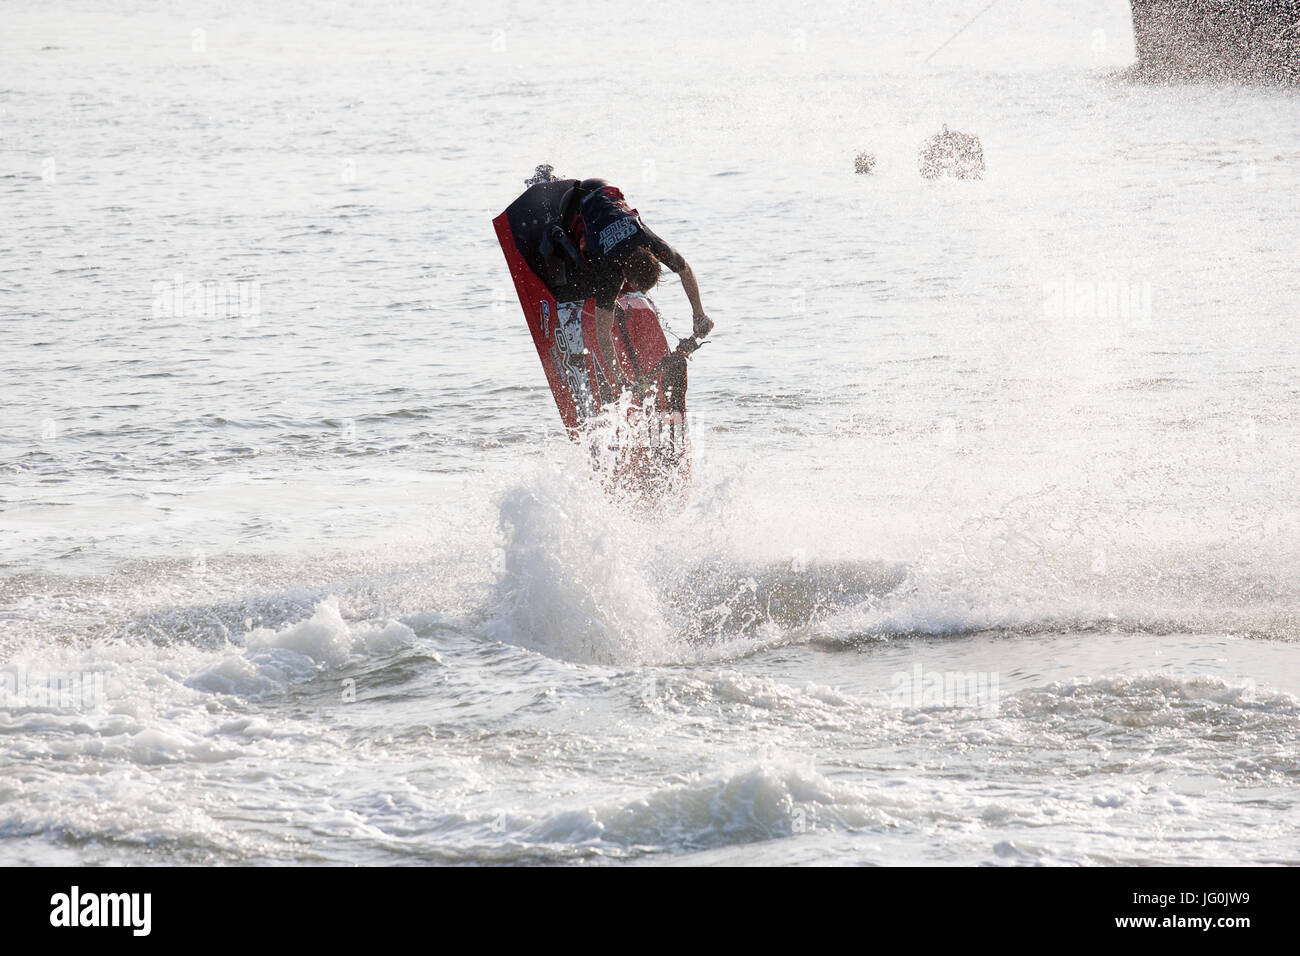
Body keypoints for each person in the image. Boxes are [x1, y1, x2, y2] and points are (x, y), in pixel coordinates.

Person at [559, 179, 712, 391]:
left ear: (653, 256)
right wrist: (619, 378)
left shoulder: (647, 239)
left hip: (600, 185)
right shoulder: (609, 271)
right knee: (584, 277)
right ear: (623, 275)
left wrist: (699, 314)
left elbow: (683, 269)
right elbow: (602, 334)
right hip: (568, 207)